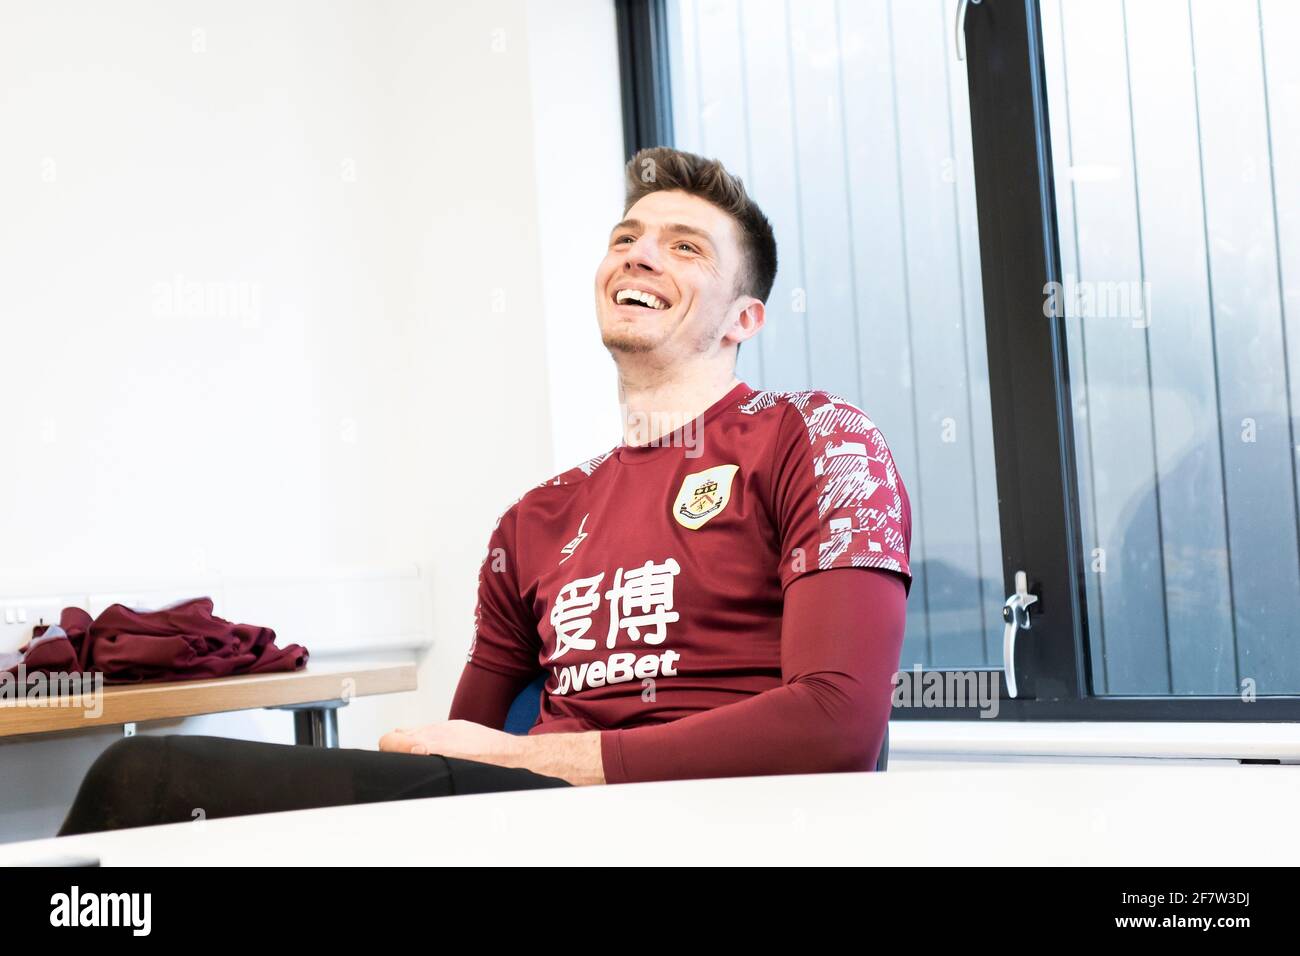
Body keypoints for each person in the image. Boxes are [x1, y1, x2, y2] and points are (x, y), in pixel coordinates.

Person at [57, 146, 910, 835]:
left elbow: (837, 724)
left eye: (685, 246)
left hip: (714, 823)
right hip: (536, 827)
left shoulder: (818, 438)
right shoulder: (535, 520)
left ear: (743, 318)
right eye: (626, 238)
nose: (640, 253)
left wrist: (555, 762)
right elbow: (457, 752)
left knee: (147, 770)